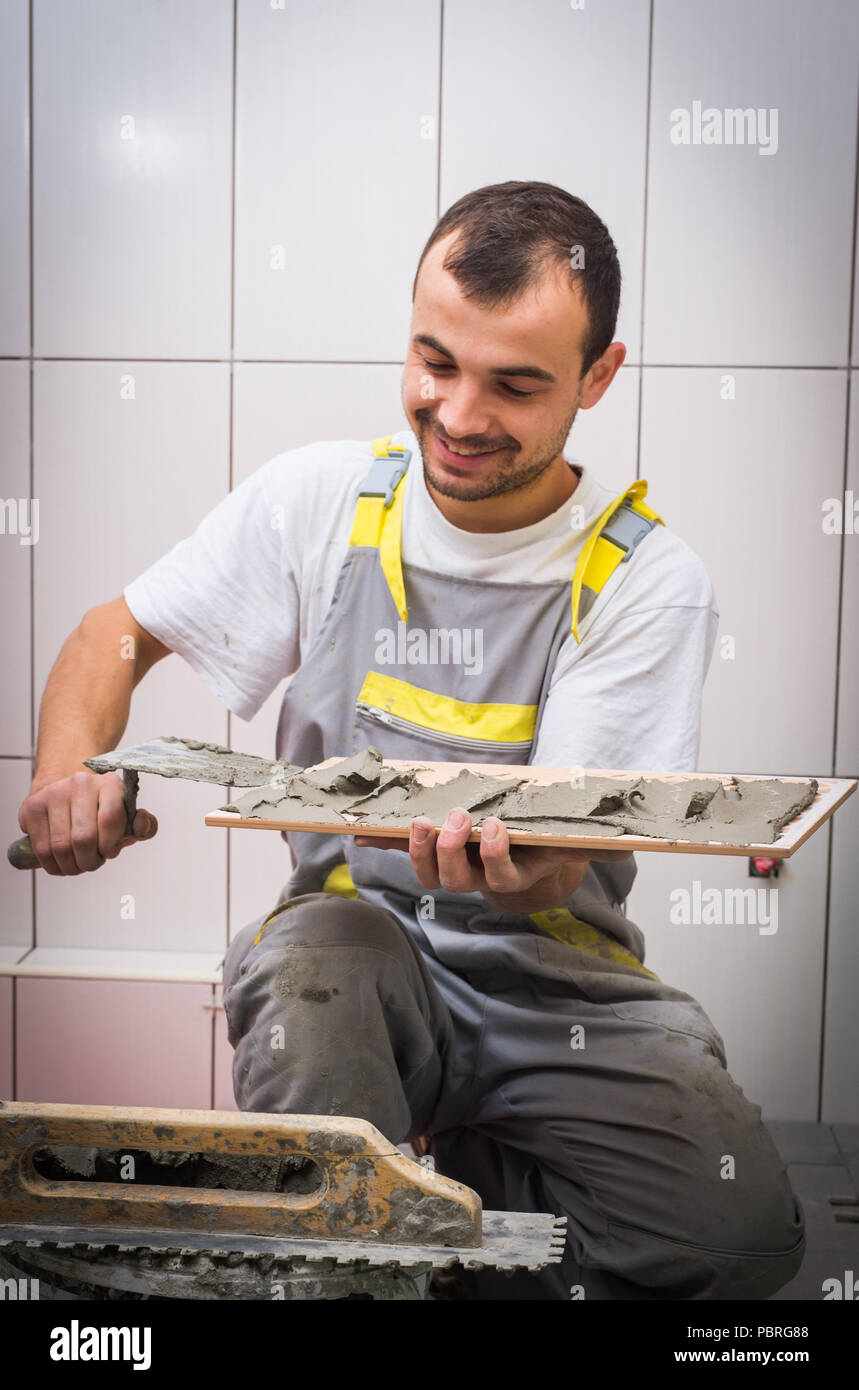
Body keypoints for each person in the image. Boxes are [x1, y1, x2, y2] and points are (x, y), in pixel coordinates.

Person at [19, 181, 805, 1300]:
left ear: (598, 377)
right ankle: (342, 1260)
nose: (460, 413)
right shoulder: (322, 501)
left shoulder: (644, 580)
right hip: (354, 957)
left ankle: (452, 1218)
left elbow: (564, 851)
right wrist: (67, 774)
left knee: (735, 1247)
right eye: (435, 362)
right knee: (315, 961)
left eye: (516, 383)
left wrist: (529, 867)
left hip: (552, 983)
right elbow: (114, 635)